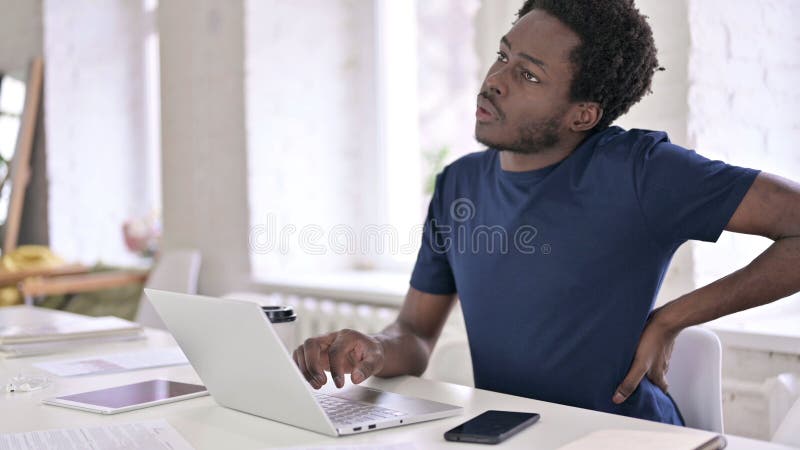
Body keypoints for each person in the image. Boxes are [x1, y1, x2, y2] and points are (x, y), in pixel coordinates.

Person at [292, 0, 800, 424]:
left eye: (529, 75)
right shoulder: (458, 184)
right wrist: (375, 349)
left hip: (626, 437)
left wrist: (672, 318)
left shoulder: (640, 171)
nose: (496, 81)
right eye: (502, 56)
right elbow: (417, 334)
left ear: (584, 114)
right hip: (517, 435)